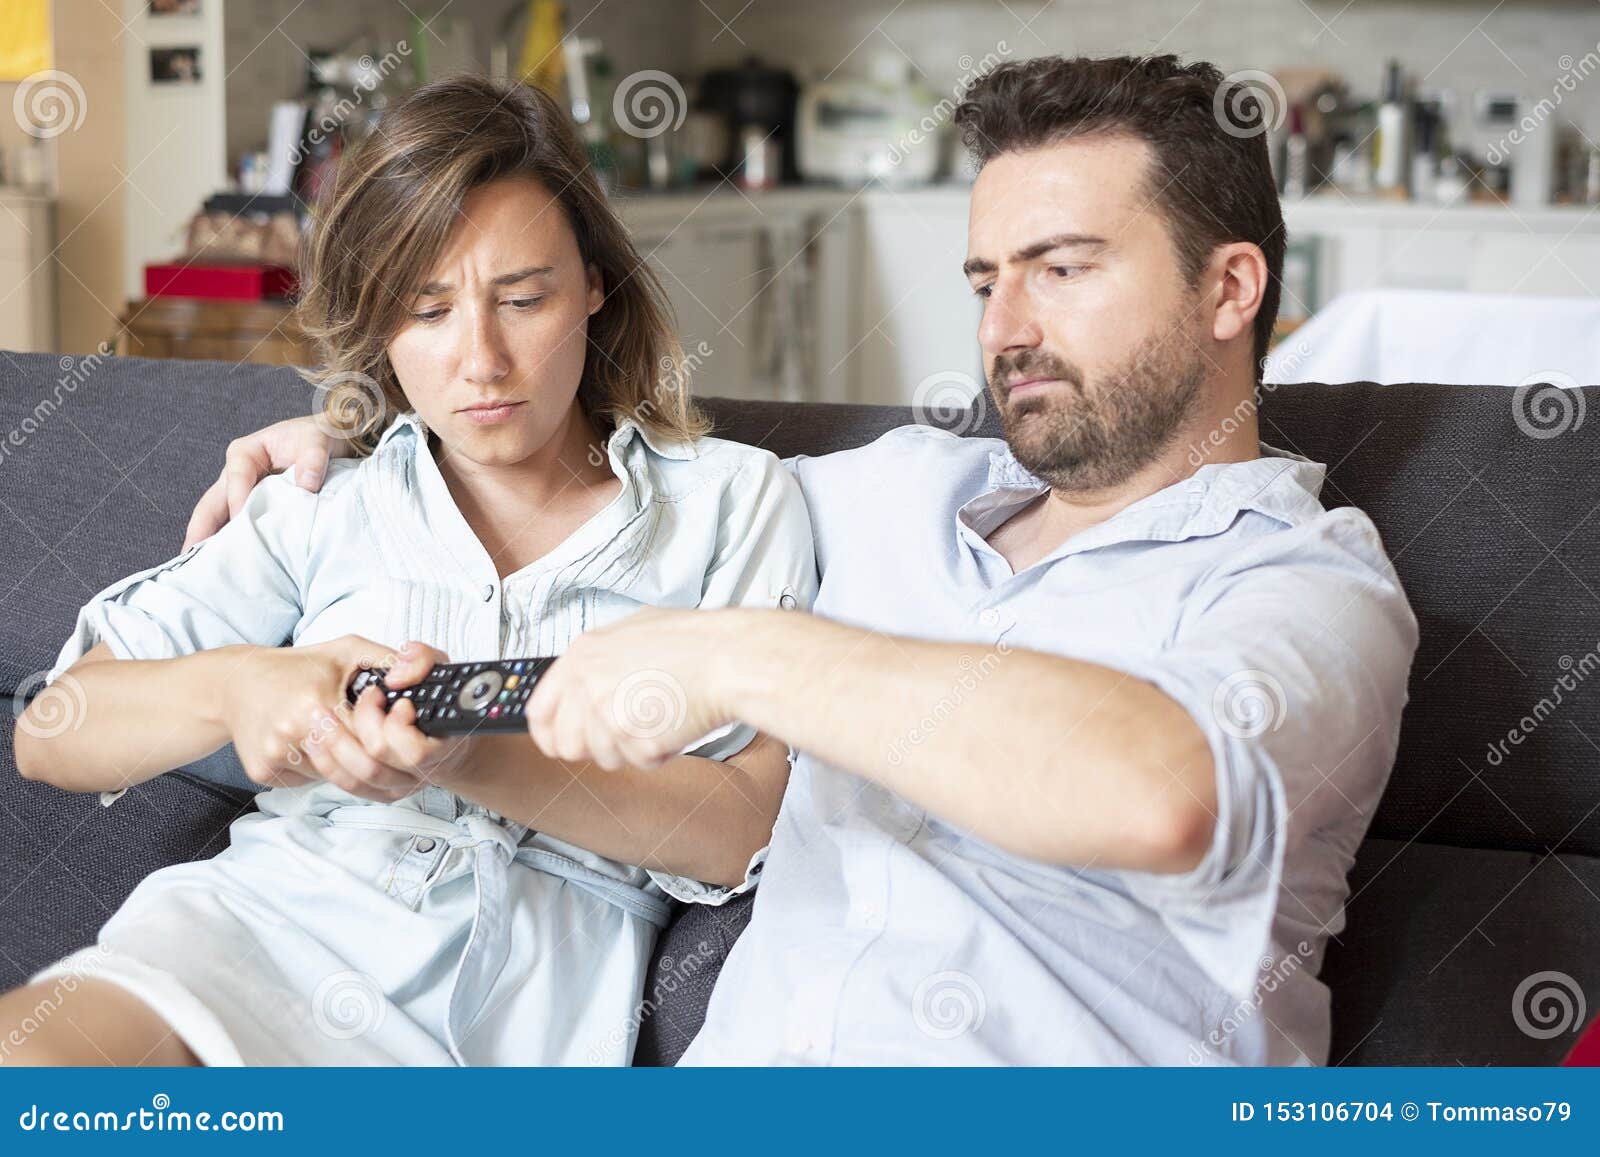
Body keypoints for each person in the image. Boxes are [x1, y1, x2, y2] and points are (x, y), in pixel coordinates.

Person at [183, 55, 1419, 1065]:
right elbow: (584, 470)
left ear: (1229, 288)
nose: (1004, 329)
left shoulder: (1306, 587)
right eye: (987, 278)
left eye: (1062, 268)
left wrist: (743, 653)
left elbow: (1164, 792)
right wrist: (364, 444)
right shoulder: (894, 496)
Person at [1, 76, 815, 1066]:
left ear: (596, 281)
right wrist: (239, 684)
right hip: (247, 940)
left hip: (521, 1022)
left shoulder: (734, 503)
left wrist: (468, 754)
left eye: (524, 297)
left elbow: (737, 824)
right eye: (425, 310)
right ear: (380, 325)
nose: (482, 360)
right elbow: (53, 729)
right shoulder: (319, 496)